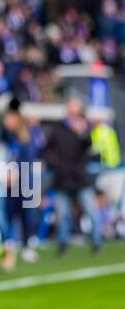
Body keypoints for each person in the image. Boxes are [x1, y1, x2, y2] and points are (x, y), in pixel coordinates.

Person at [45, 94, 101, 253]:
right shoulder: (58, 129)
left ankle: (96, 241)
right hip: (62, 179)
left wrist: (82, 132)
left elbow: (89, 146)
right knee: (63, 215)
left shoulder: (84, 128)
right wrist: (55, 163)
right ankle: (63, 244)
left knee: (91, 211)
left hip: (79, 178)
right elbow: (46, 150)